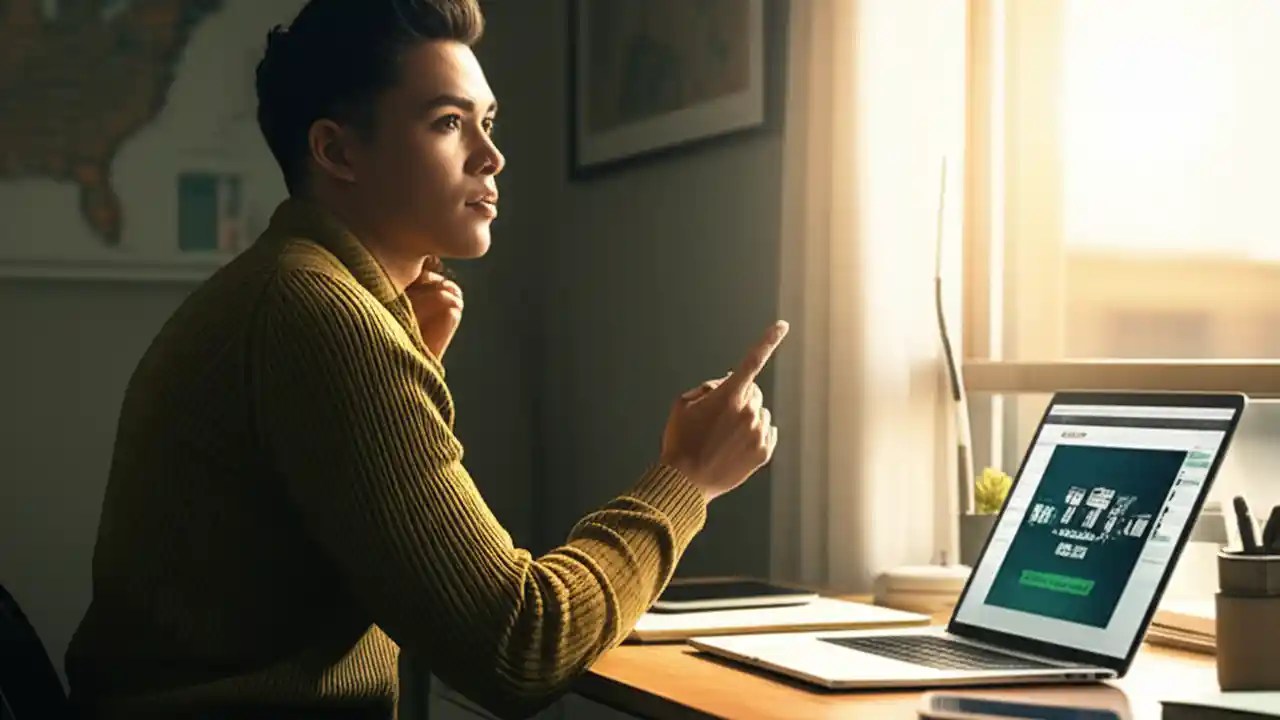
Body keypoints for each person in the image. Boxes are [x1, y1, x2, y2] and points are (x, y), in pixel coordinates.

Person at [63, 1, 787, 718]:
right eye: (448, 122)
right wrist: (686, 478)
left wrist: (406, 358)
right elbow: (519, 647)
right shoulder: (318, 313)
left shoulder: (291, 288)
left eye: (488, 121)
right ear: (337, 151)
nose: (491, 155)